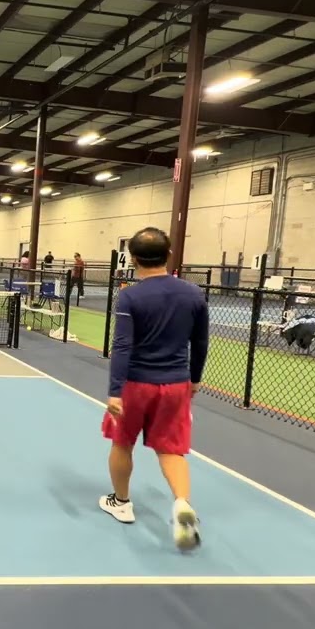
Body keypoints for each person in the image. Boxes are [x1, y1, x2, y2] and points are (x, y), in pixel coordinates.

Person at [99, 227, 208, 553]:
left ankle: (121, 502)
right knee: (171, 450)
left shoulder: (131, 296)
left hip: (135, 385)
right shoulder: (193, 294)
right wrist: (195, 378)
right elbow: (200, 341)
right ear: (169, 254)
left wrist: (115, 390)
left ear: (132, 259)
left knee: (122, 443)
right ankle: (182, 504)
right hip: (175, 384)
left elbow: (122, 345)